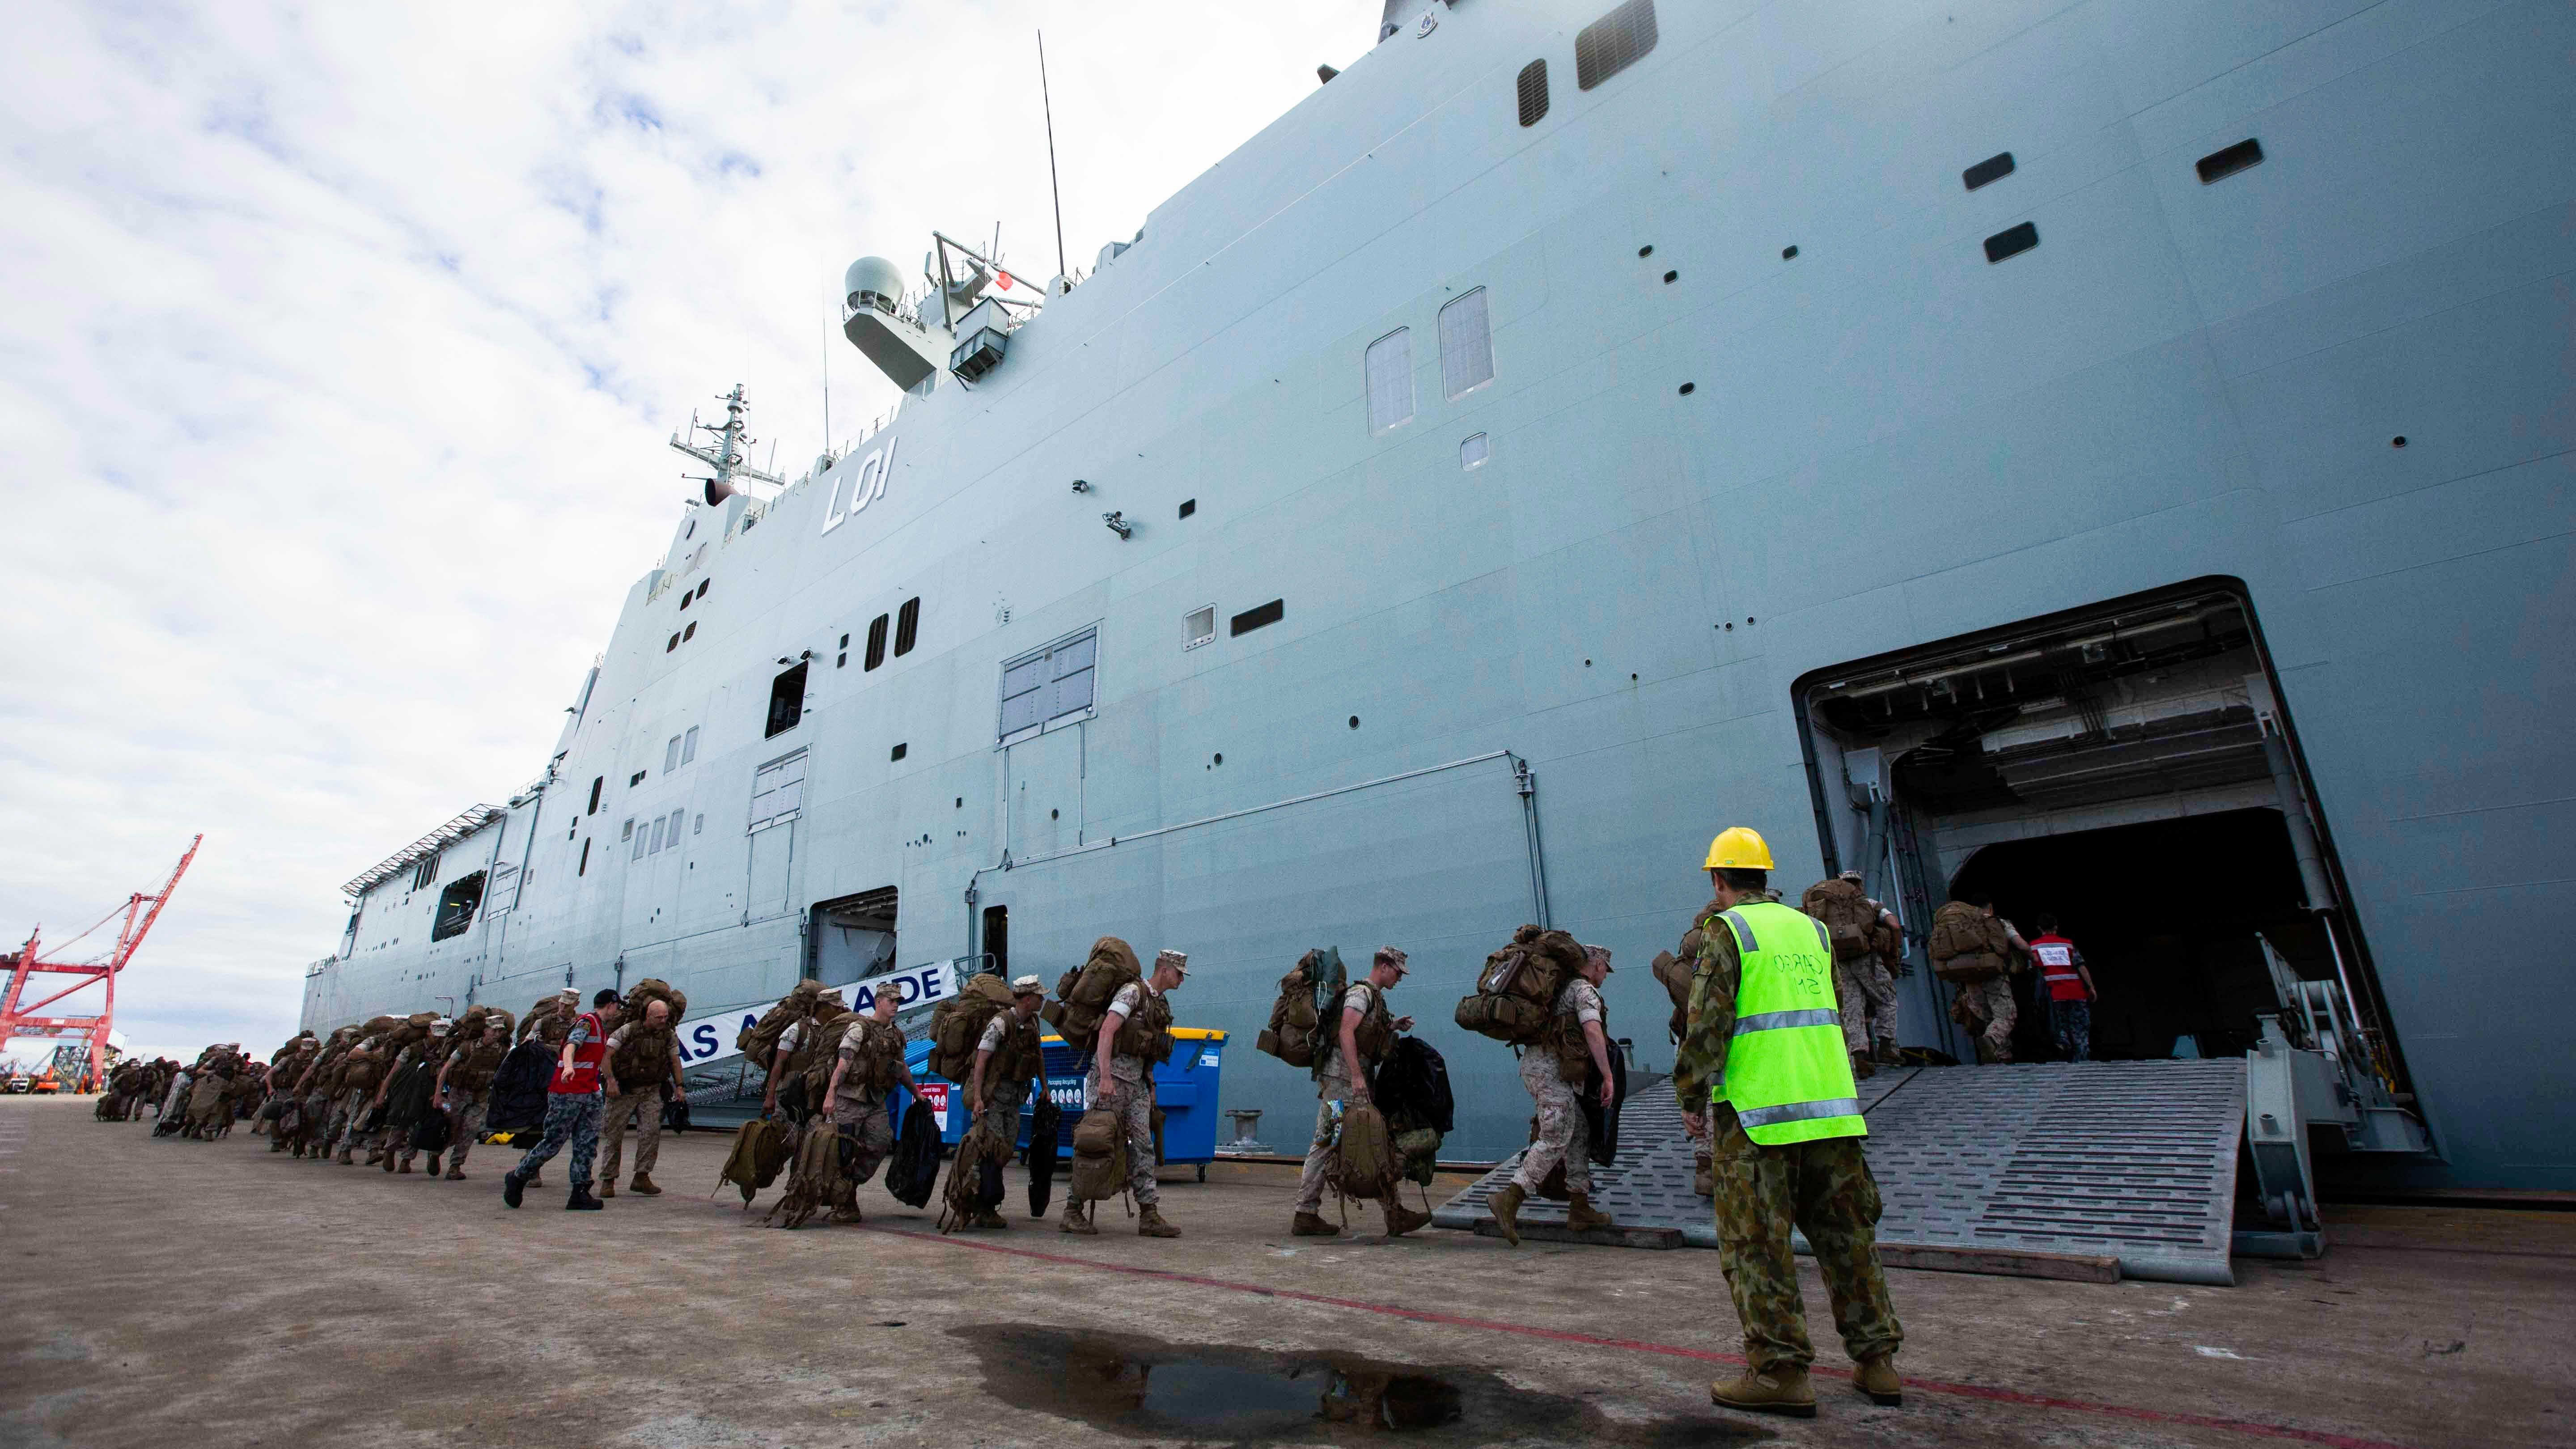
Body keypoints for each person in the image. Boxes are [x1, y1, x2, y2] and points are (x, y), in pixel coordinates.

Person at [1678, 826, 1903, 1418]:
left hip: (1760, 1116)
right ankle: (1877, 1362)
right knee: (1849, 1240)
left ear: (1718, 880)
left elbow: (1707, 1022)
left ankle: (1780, 1371)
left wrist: (1690, 1096)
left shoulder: (1727, 931)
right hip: (1833, 1111)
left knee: (1757, 1246)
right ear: (1766, 878)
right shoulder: (1814, 930)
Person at [1290, 946, 1431, 1239]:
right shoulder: (1360, 995)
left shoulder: (1372, 997)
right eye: (1397, 972)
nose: (1400, 979)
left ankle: (1394, 1213)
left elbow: (1364, 1032)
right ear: (1383, 966)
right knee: (1327, 1141)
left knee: (1373, 1141)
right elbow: (1346, 1032)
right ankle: (1305, 1213)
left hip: (1351, 1081)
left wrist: (1392, 1026)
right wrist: (1356, 1076)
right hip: (1343, 1082)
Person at [1487, 945, 1617, 1245]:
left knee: (1579, 1130)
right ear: (1597, 965)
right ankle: (1510, 1198)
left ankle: (1579, 1207)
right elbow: (1593, 1031)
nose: (1605, 977)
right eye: (1604, 971)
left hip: (1543, 1067)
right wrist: (1608, 1076)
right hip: (1549, 1070)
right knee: (1556, 1133)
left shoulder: (1559, 988)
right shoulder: (1583, 990)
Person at [1063, 949, 1186, 1238]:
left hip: (1137, 1086)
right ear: (1165, 970)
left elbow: (1149, 1051)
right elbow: (1107, 1031)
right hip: (1111, 1080)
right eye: (1179, 973)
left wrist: (1151, 1088)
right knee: (1097, 1142)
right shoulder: (1133, 993)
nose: (1182, 980)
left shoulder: (1160, 1004)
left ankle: (1149, 1215)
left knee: (1143, 1147)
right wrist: (1105, 1076)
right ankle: (1073, 1210)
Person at [503, 988, 622, 1211]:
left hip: (588, 1092)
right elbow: (570, 1047)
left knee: (587, 1143)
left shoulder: (600, 1027)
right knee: (554, 1142)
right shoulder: (587, 1023)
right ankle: (518, 1177)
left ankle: (580, 1192)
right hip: (568, 1092)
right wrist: (568, 1067)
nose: (617, 1010)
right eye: (617, 1006)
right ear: (611, 1005)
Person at [820, 980, 921, 1224]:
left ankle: (848, 1187)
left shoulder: (896, 1035)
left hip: (876, 1099)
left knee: (880, 1142)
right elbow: (843, 1065)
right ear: (878, 1002)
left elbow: (901, 1067)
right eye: (891, 1001)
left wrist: (918, 1094)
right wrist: (831, 1095)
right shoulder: (859, 1029)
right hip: (850, 1099)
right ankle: (843, 1200)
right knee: (843, 1150)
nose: (896, 1005)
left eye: (898, 1001)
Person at [965, 975, 1049, 1230]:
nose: (1042, 999)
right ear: (1026, 999)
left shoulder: (1032, 1023)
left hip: (1013, 1100)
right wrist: (978, 1099)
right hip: (993, 1099)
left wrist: (1045, 1086)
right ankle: (980, 1205)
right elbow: (981, 1062)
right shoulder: (1001, 1024)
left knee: (1005, 1150)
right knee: (991, 1150)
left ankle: (985, 1202)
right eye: (1038, 996)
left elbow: (1038, 1057)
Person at [598, 997, 688, 1198]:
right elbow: (606, 1055)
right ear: (648, 1016)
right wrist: (611, 1081)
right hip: (624, 1091)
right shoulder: (628, 1030)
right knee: (614, 1135)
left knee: (651, 1133)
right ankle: (608, 1179)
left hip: (651, 1091)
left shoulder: (668, 1036)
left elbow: (675, 1060)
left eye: (666, 1017)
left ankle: (642, 1177)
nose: (663, 1021)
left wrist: (680, 1086)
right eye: (659, 1017)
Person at [1936, 893, 2029, 1064]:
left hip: (1970, 977)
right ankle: (1993, 1042)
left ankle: (1999, 1057)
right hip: (1994, 975)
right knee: (2005, 1016)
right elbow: (2021, 945)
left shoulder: (1964, 925)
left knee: (1986, 1017)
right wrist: (2033, 958)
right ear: (1991, 907)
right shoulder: (1997, 923)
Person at [435, 1008, 511, 1179]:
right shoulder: (467, 1047)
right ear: (486, 1030)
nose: (497, 1034)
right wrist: (439, 1095)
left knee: (470, 1130)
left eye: (500, 1031)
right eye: (494, 1030)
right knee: (452, 1129)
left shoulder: (501, 1052)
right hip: (459, 1094)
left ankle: (455, 1166)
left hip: (481, 1096)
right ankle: (436, 1153)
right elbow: (446, 1069)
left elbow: (503, 1076)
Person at [2028, 915, 2098, 1062]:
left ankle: (2063, 1062)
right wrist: (2091, 988)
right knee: (2080, 1033)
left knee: (2059, 1032)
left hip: (2052, 997)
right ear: (2056, 927)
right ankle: (2084, 1065)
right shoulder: (2068, 945)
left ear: (2039, 929)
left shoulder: (2033, 947)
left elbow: (2032, 973)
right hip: (2076, 993)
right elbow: (2081, 967)